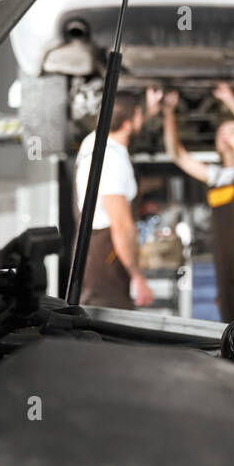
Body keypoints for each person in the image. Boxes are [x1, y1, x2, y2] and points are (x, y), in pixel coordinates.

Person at [162, 83, 234, 321]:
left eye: (232, 131)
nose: (225, 135)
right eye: (221, 133)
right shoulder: (216, 175)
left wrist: (230, 98)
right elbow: (177, 155)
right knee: (228, 323)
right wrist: (168, 112)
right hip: (224, 264)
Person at [75, 87, 162, 308]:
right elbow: (122, 227)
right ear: (127, 124)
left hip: (97, 253)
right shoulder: (112, 164)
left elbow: (123, 125)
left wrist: (148, 110)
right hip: (106, 260)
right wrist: (138, 277)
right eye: (138, 114)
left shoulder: (94, 141)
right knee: (106, 331)